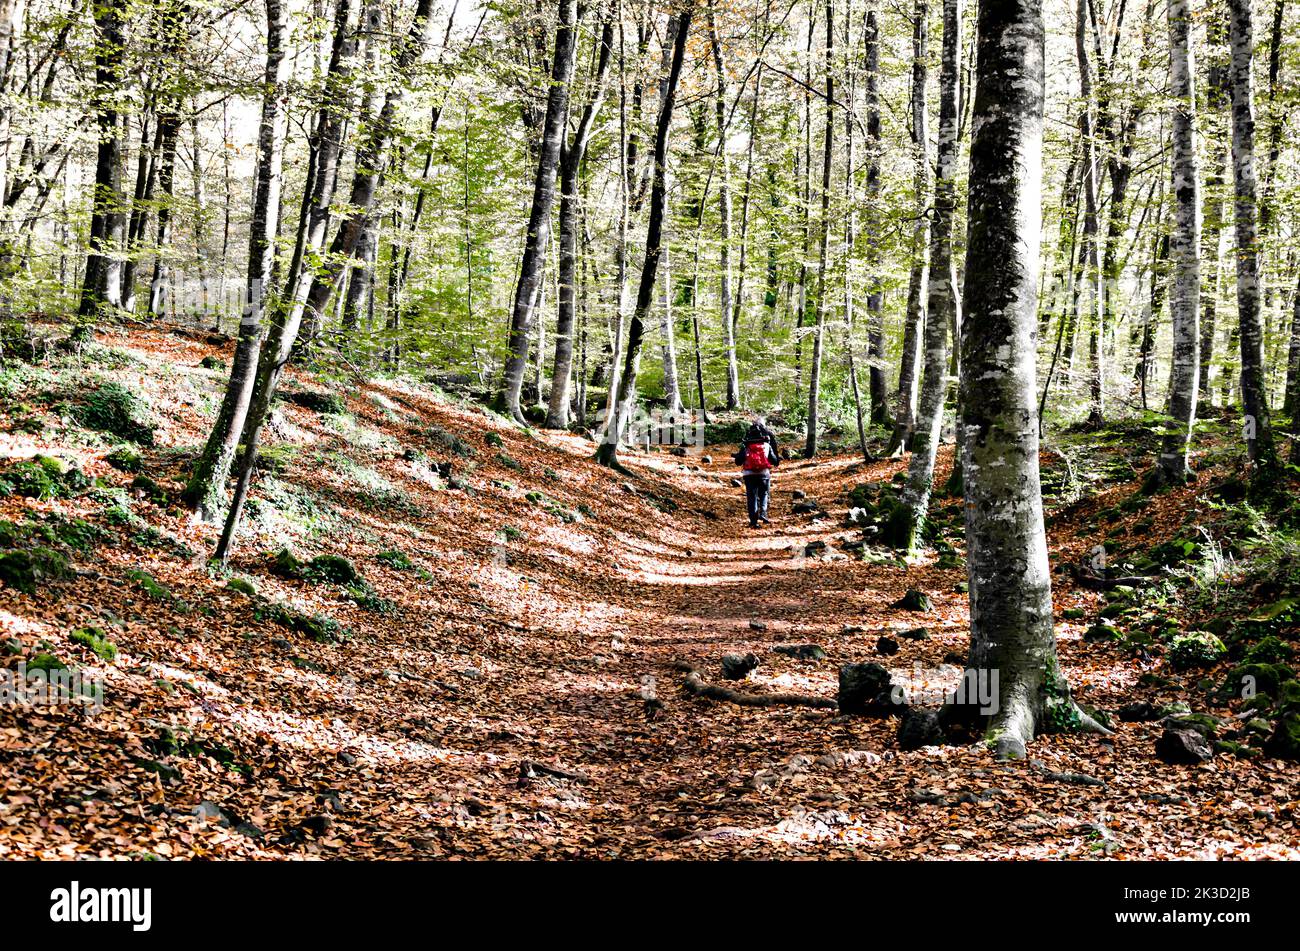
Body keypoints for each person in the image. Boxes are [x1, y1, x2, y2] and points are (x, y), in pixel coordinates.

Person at [733, 416, 778, 528]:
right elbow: (774, 460)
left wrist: (739, 457)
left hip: (749, 475)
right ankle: (763, 512)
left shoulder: (746, 445)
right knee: (764, 493)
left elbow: (738, 461)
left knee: (751, 497)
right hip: (764, 474)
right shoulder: (766, 445)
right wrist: (776, 461)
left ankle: (754, 522)